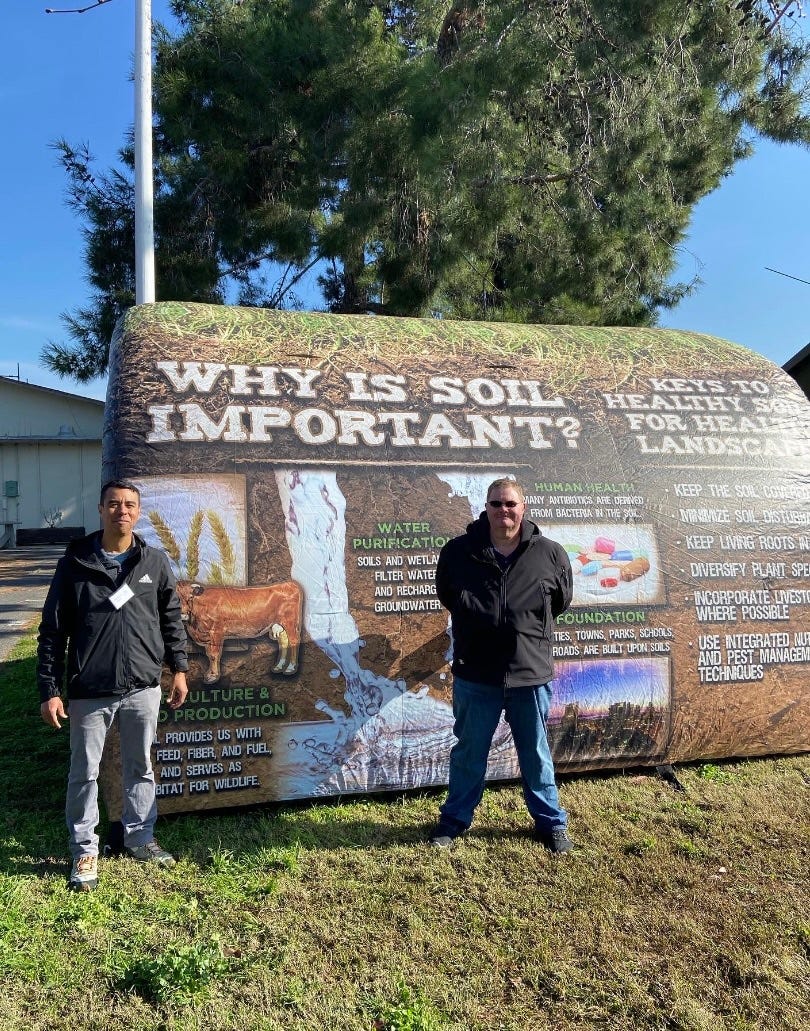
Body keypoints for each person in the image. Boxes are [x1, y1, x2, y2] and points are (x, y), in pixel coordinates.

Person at [38, 479, 189, 891]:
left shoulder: (153, 562)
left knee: (141, 766)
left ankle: (140, 837)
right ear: (101, 510)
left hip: (143, 685)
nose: (122, 511)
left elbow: (171, 618)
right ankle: (85, 851)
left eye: (130, 505)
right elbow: (52, 630)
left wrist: (178, 668)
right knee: (84, 772)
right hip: (91, 688)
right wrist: (49, 689)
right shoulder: (75, 562)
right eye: (114, 504)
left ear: (138, 512)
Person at [432, 477, 574, 852]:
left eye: (510, 504)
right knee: (469, 752)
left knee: (536, 753)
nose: (503, 511)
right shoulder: (459, 552)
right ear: (486, 507)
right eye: (496, 504)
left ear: (523, 507)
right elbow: (448, 594)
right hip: (476, 674)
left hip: (530, 674)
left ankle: (551, 823)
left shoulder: (550, 554)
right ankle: (454, 821)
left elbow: (559, 602)